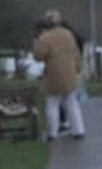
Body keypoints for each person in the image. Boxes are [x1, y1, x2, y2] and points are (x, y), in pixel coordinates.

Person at [32, 11, 85, 141]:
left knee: (52, 104)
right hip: (70, 73)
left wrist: (37, 43)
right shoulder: (68, 34)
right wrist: (77, 68)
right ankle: (78, 130)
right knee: (72, 102)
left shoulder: (46, 38)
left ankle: (52, 133)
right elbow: (76, 53)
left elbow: (38, 56)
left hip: (53, 74)